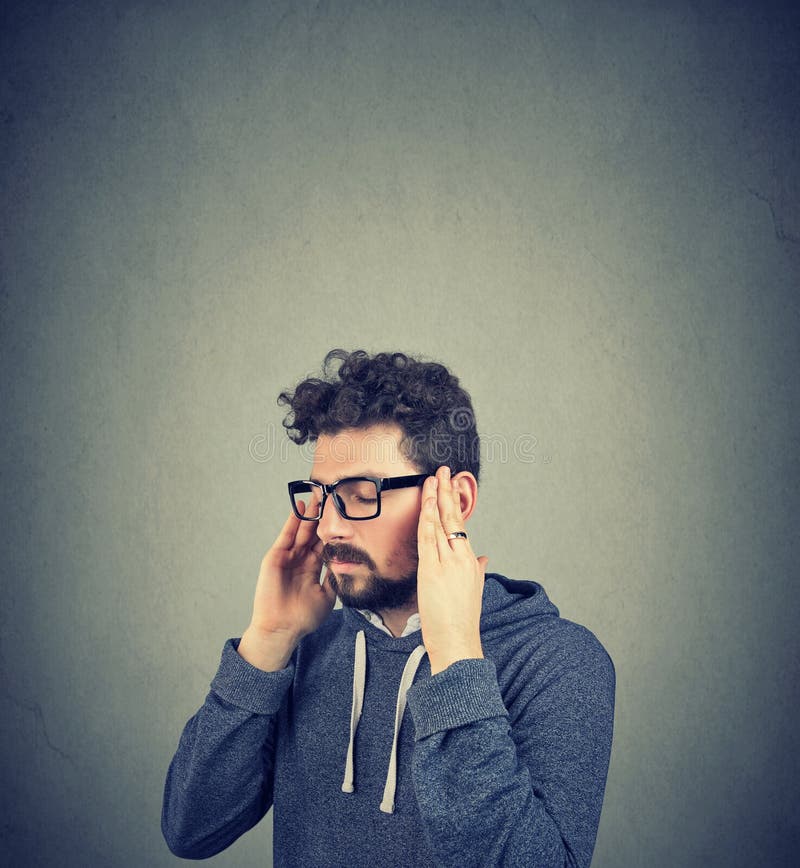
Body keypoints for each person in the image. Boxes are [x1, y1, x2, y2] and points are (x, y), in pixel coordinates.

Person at [162, 349, 615, 867]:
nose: (329, 527)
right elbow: (189, 830)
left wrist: (456, 659)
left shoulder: (559, 662)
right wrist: (266, 641)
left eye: (361, 494)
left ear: (456, 501)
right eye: (321, 495)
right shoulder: (305, 649)